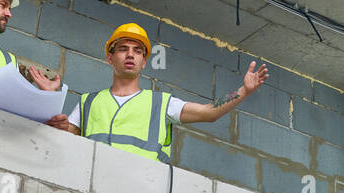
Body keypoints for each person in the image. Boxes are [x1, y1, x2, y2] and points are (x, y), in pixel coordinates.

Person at [44, 22, 268, 163]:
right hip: (90, 185)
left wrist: (243, 91)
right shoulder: (88, 102)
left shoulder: (162, 104)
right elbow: (64, 134)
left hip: (145, 192)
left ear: (144, 62)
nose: (130, 55)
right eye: (123, 49)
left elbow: (209, 112)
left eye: (137, 51)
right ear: (110, 58)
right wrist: (51, 105)